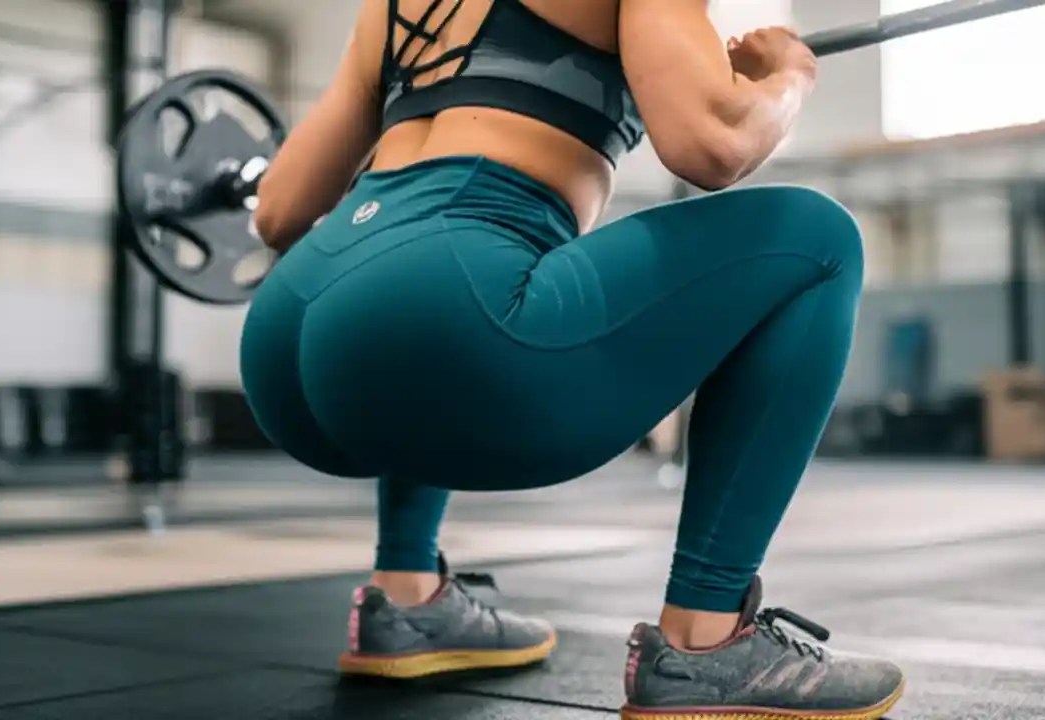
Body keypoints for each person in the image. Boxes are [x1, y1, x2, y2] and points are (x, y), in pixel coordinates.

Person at [241, 0, 904, 717]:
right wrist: (787, 76)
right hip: (438, 299)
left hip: (292, 323)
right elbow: (712, 142)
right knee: (820, 240)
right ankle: (706, 642)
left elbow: (277, 210)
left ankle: (406, 597)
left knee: (424, 310)